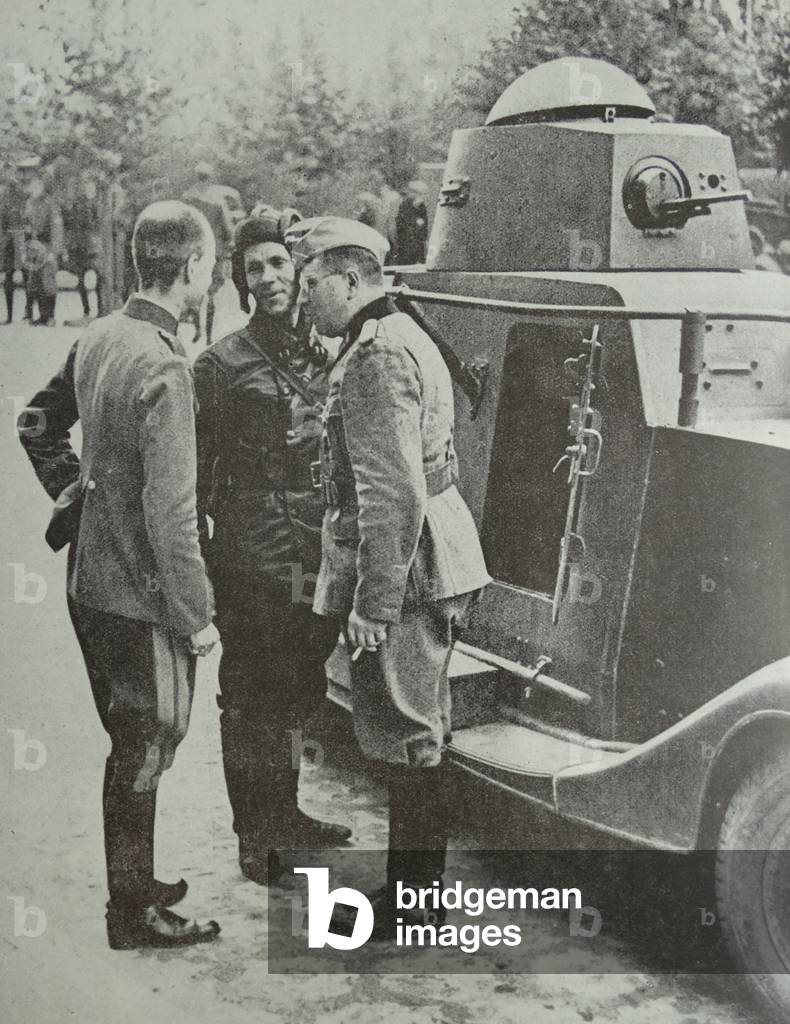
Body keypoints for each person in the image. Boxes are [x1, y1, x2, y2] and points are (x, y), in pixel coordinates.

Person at [17, 201, 222, 949]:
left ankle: (134, 882)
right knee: (149, 740)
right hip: (140, 596)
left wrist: (77, 492)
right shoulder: (164, 361)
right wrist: (196, 616)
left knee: (131, 736)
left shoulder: (103, 332)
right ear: (195, 268)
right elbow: (172, 517)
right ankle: (130, 912)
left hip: (89, 583)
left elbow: (34, 421)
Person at [285, 216, 490, 937]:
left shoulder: (376, 355)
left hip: (408, 566)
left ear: (349, 280)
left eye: (311, 284)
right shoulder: (399, 334)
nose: (301, 297)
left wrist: (374, 602)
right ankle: (419, 895)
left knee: (408, 733)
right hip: (434, 549)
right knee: (419, 727)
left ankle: (414, 904)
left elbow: (392, 492)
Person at [194, 209, 351, 886]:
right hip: (251, 554)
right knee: (251, 696)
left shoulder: (327, 353)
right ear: (242, 279)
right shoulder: (220, 364)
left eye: (278, 263)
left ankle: (285, 812)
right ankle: (253, 837)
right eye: (254, 267)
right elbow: (195, 475)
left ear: (299, 268)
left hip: (314, 550)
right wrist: (203, 562)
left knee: (298, 689)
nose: (268, 278)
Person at [181, 162, 236, 344]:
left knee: (196, 289)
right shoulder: (217, 201)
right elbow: (228, 229)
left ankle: (198, 329)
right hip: (215, 252)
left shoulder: (187, 198)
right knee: (212, 294)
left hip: (193, 251)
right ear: (210, 177)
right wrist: (230, 243)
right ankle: (209, 337)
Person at [63, 169, 104, 326]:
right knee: (80, 281)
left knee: (99, 278)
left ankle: (100, 310)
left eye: (90, 185)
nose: (88, 188)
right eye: (86, 185)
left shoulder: (98, 203)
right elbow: (71, 224)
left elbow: (98, 224)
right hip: (80, 246)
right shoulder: (77, 203)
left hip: (93, 247)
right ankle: (86, 311)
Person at [1, 156, 33, 324]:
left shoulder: (23, 193)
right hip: (8, 239)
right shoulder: (3, 194)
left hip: (22, 237)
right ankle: (9, 315)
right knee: (8, 277)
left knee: (27, 274)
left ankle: (28, 312)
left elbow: (28, 215)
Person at [394, 179, 429, 264]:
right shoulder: (405, 205)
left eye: (424, 194)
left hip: (417, 246)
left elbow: (423, 227)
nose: (423, 196)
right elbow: (403, 226)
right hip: (405, 246)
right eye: (420, 193)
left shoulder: (421, 207)